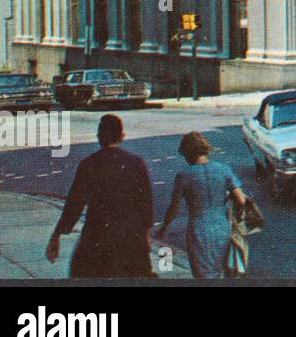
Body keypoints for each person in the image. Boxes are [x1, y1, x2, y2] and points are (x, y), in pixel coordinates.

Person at [46, 114, 154, 278]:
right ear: (122, 136)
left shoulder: (88, 164)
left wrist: (57, 235)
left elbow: (74, 205)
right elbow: (146, 203)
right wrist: (146, 236)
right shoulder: (136, 163)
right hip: (132, 238)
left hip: (97, 237)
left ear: (99, 137)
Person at [155, 132, 248, 279]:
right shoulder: (223, 169)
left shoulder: (184, 175)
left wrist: (163, 228)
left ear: (188, 153)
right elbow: (241, 200)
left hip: (199, 230)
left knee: (204, 275)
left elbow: (174, 207)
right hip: (223, 228)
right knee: (225, 272)